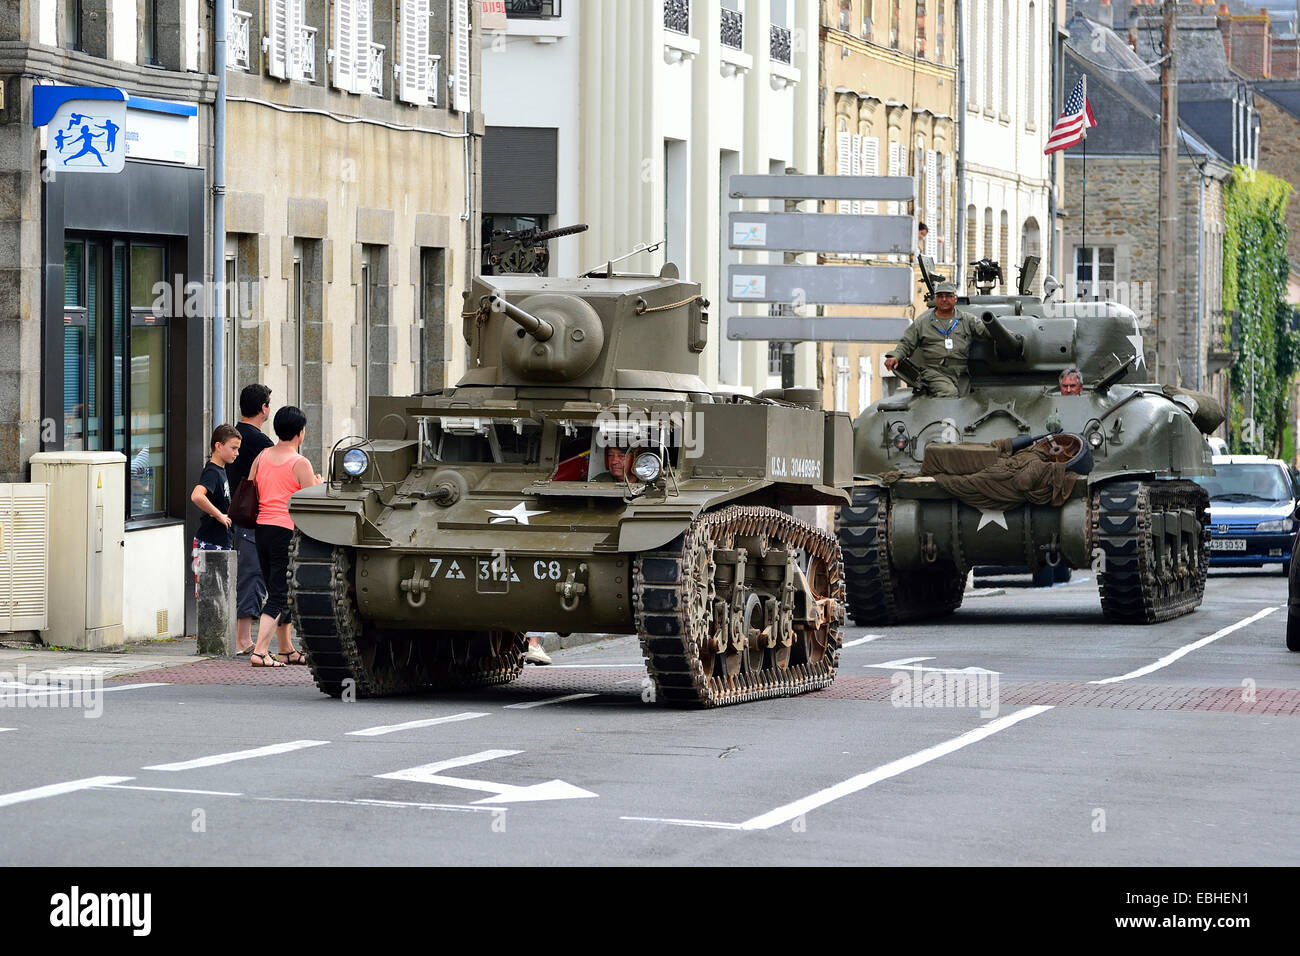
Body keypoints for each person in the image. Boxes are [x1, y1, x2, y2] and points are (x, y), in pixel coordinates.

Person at [248, 405, 322, 668]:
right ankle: (259, 651)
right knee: (279, 594)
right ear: (300, 433)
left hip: (262, 529)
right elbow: (312, 501)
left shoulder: (262, 456)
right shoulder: (299, 462)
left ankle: (286, 650)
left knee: (279, 588)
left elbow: (253, 486)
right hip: (285, 530)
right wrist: (318, 480)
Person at [227, 384, 275, 655]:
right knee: (251, 575)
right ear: (264, 408)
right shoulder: (261, 443)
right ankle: (243, 639)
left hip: (230, 515)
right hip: (251, 518)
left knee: (242, 575)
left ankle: (241, 637)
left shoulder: (233, 435)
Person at [884, 281, 990, 397]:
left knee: (965, 401)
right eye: (940, 296)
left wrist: (998, 334)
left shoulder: (967, 319)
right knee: (949, 393)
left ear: (955, 298)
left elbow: (984, 330)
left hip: (960, 372)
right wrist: (895, 356)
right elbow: (907, 342)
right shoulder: (923, 322)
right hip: (934, 371)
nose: (944, 299)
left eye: (948, 296)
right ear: (936, 299)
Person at [191, 425, 241, 551]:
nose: (237, 453)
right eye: (233, 448)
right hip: (211, 542)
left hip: (219, 541)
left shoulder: (220, 469)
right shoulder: (212, 471)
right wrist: (219, 515)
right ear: (218, 446)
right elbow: (196, 496)